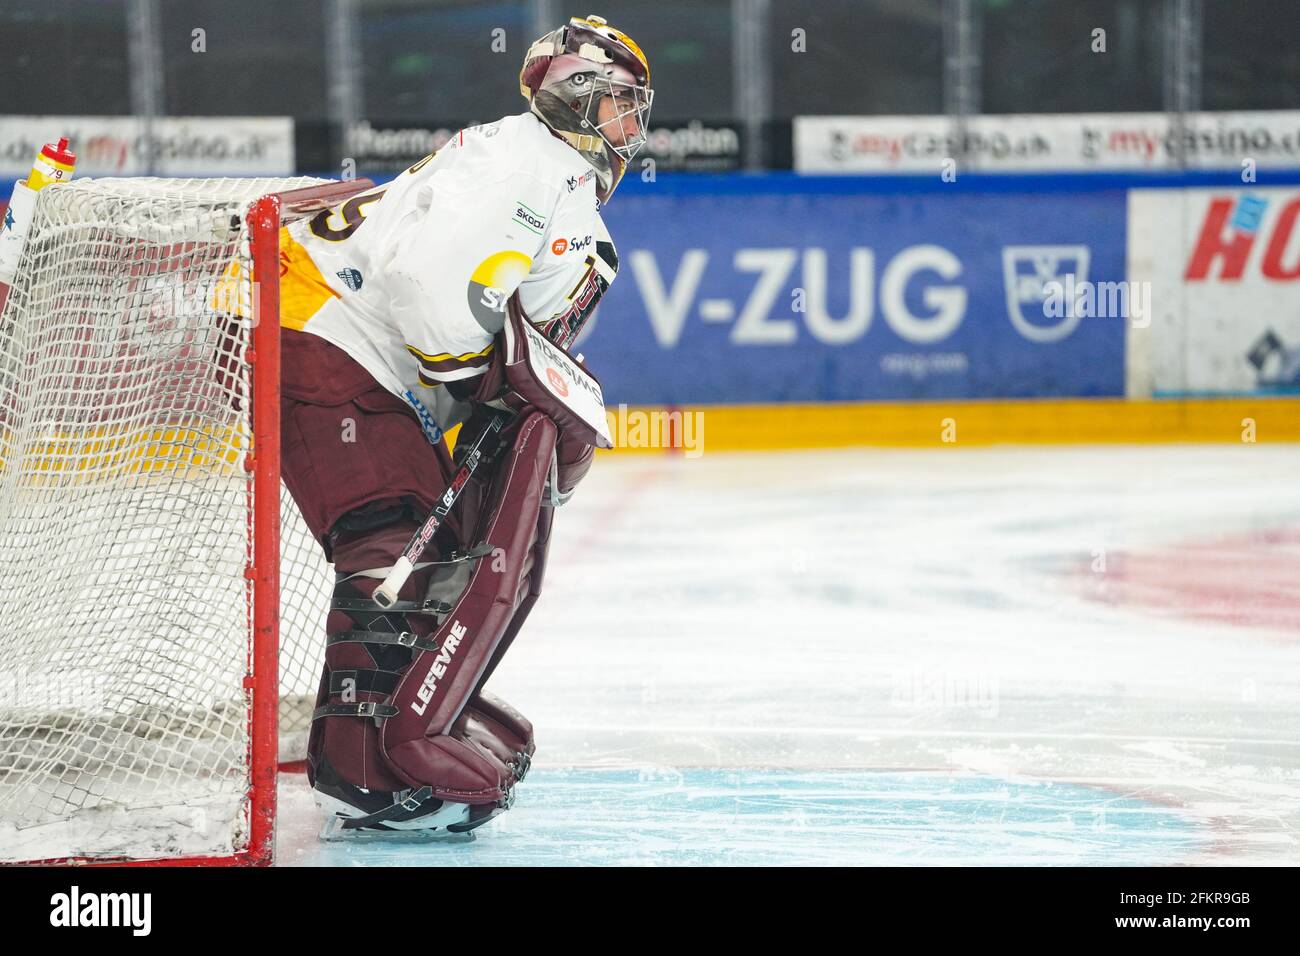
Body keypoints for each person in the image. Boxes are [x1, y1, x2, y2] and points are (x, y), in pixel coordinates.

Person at [275, 14, 652, 834]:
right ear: (577, 94)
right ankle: (364, 768)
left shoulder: (533, 163)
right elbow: (430, 282)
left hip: (339, 333)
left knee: (427, 544)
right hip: (325, 331)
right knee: (391, 534)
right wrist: (471, 386)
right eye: (622, 101)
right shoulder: (532, 169)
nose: (633, 124)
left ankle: (397, 720)